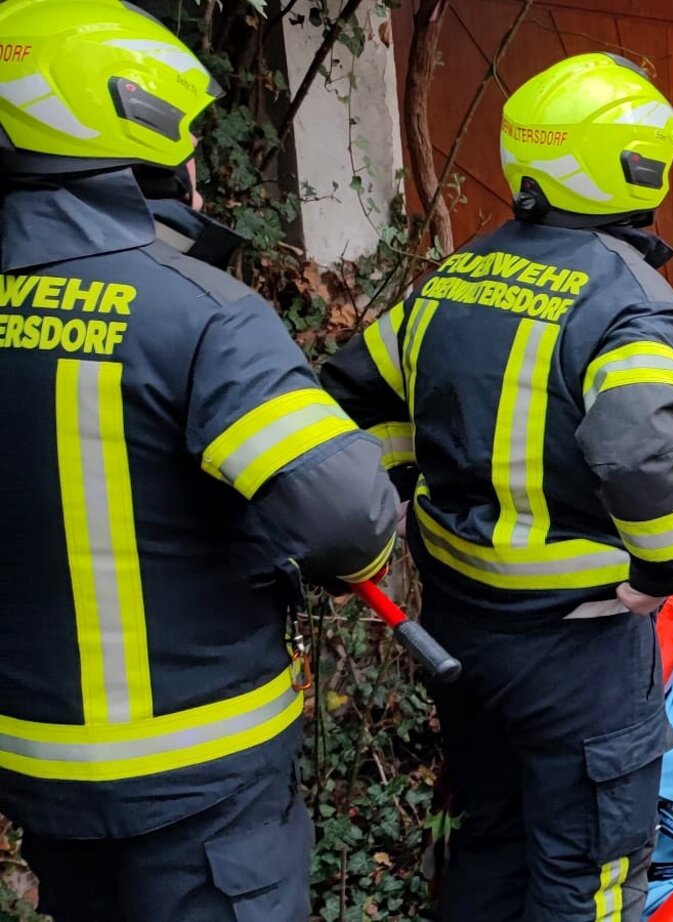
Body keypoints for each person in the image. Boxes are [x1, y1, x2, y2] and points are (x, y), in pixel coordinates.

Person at [0, 1, 400, 918]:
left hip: (37, 774)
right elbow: (345, 516)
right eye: (186, 144)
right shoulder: (200, 313)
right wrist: (366, 560)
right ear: (135, 139)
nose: (199, 177)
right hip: (201, 789)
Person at [322, 52, 673, 919]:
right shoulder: (629, 300)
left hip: (461, 632)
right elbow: (641, 447)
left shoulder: (450, 278)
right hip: (578, 645)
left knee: (490, 838)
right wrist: (663, 571)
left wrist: (407, 509)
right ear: (636, 170)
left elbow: (349, 406)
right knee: (589, 872)